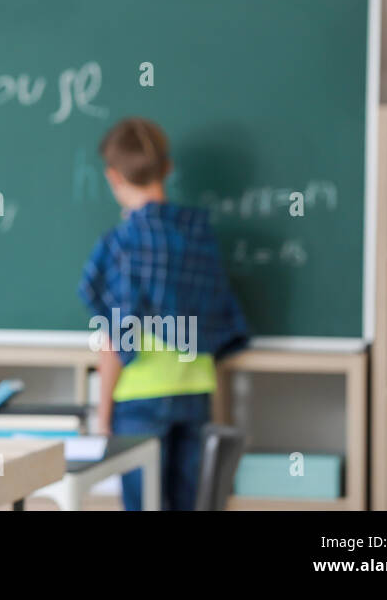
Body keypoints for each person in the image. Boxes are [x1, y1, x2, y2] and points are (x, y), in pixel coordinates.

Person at [78, 117, 250, 510]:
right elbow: (216, 317)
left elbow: (116, 335)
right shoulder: (199, 235)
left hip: (139, 398)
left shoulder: (122, 244)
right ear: (167, 169)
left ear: (113, 176)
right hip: (195, 393)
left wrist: (103, 414)